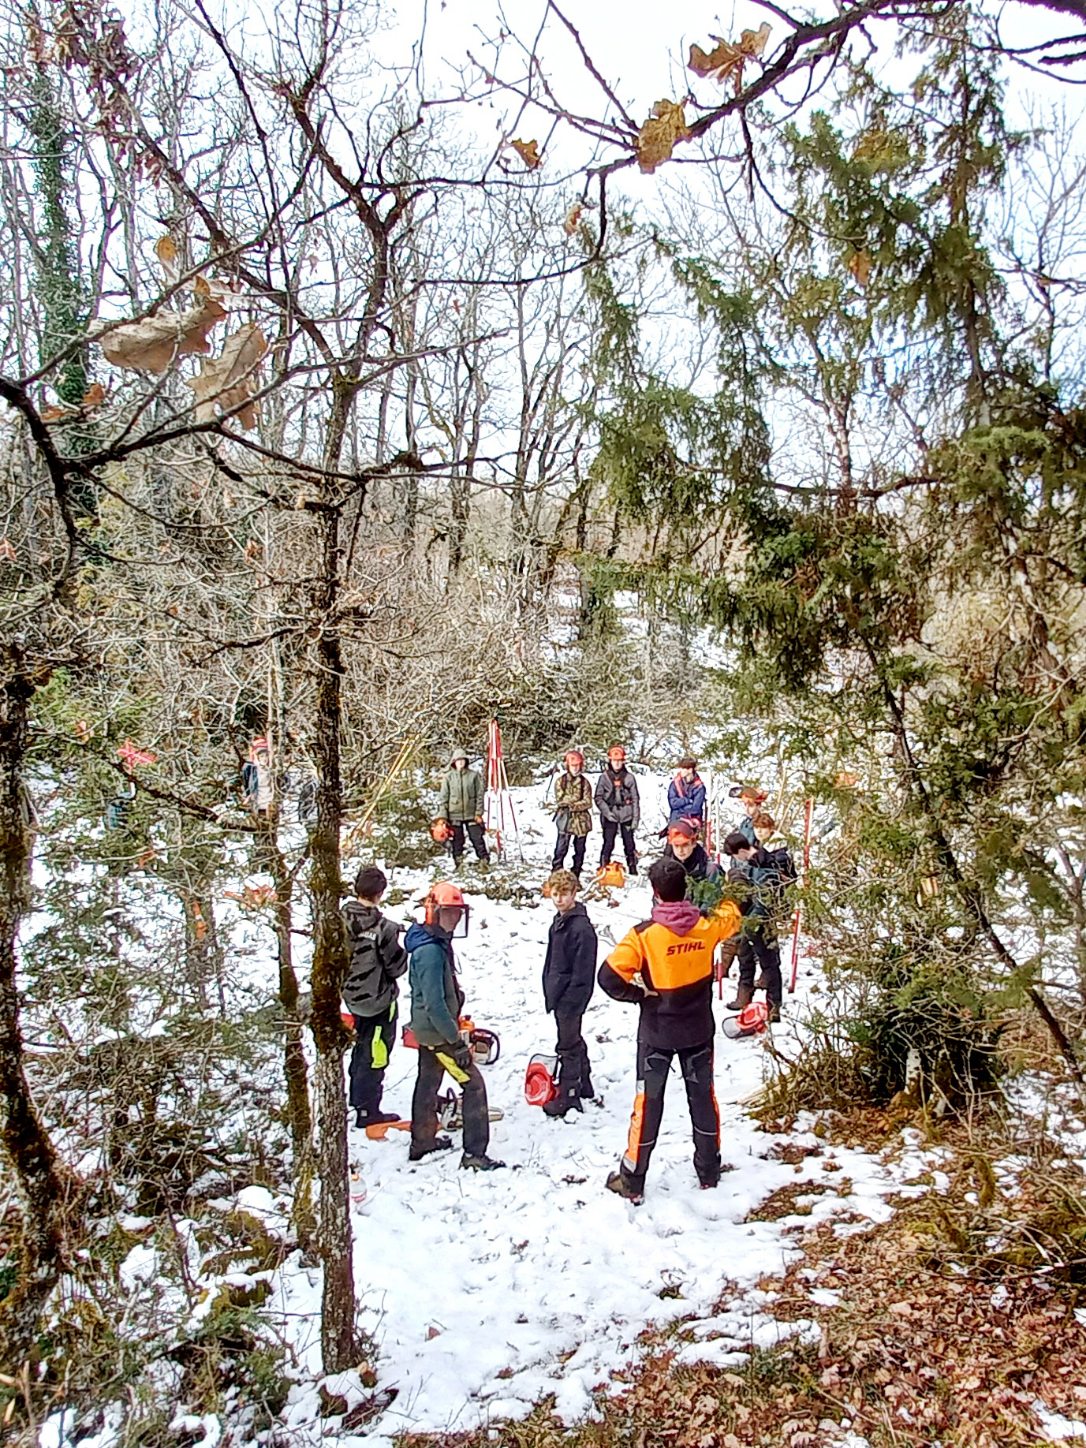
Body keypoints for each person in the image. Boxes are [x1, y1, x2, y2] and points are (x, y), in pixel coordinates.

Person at [597, 857, 741, 1203]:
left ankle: (633, 1180)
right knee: (703, 1098)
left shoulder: (644, 936)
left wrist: (639, 994)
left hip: (657, 1033)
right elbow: (733, 914)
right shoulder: (706, 926)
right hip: (698, 1030)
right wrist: (734, 880)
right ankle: (708, 1170)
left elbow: (607, 978)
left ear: (655, 893)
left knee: (648, 1104)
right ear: (685, 889)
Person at [404, 881, 505, 1170]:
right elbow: (435, 1005)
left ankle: (422, 1140)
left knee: (428, 1081)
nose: (454, 919)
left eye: (457, 914)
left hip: (428, 1029)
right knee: (473, 1087)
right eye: (449, 914)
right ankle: (474, 1153)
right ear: (433, 912)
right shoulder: (430, 952)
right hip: (437, 1032)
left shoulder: (432, 944)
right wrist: (456, 1041)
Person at [342, 865, 408, 1129]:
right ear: (380, 893)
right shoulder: (384, 928)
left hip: (350, 996)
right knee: (376, 1052)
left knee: (361, 1047)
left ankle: (357, 1099)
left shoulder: (338, 919)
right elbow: (396, 966)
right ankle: (368, 1109)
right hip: (379, 1000)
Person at [721, 823, 796, 1022]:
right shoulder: (750, 863)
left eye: (735, 856)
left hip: (764, 921)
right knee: (744, 956)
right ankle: (743, 997)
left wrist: (752, 921)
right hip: (748, 919)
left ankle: (774, 1007)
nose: (736, 860)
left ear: (743, 850)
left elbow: (766, 899)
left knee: (769, 964)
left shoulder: (766, 864)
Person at [541, 869, 598, 1116]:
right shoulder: (560, 921)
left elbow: (584, 970)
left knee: (567, 1045)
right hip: (558, 990)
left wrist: (572, 998)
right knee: (572, 1038)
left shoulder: (581, 929)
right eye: (555, 894)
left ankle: (569, 1094)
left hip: (570, 995)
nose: (559, 899)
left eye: (564, 894)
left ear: (575, 893)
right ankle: (585, 1083)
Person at [436, 748, 489, 867]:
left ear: (466, 761)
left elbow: (479, 795)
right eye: (458, 760)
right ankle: (458, 862)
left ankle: (484, 860)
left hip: (471, 814)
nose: (460, 762)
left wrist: (478, 813)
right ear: (454, 762)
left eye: (463, 760)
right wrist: (443, 817)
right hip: (454, 814)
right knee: (457, 840)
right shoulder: (448, 777)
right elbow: (443, 798)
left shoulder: (474, 776)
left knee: (477, 838)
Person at [595, 744, 640, 875]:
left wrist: (635, 819)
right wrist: (607, 813)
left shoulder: (629, 777)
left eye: (620, 761)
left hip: (627, 814)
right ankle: (603, 867)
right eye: (615, 761)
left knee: (629, 843)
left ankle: (632, 868)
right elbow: (598, 797)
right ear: (610, 761)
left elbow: (636, 799)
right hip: (610, 814)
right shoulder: (604, 777)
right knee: (608, 842)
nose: (617, 763)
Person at [552, 750, 593, 878]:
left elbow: (588, 802)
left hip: (581, 822)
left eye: (577, 765)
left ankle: (576, 874)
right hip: (565, 819)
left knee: (580, 850)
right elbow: (560, 800)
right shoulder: (561, 781)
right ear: (568, 766)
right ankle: (556, 873)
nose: (575, 768)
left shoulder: (585, 782)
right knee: (561, 848)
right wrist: (575, 803)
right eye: (573, 765)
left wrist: (573, 805)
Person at [661, 819, 720, 886]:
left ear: (693, 842)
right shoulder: (664, 870)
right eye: (676, 846)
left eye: (685, 845)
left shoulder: (709, 870)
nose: (680, 850)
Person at [667, 756, 706, 830]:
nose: (680, 771)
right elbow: (672, 803)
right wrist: (688, 801)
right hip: (675, 820)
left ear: (690, 770)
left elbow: (696, 809)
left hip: (692, 821)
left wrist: (679, 809)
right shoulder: (674, 784)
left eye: (683, 768)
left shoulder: (699, 787)